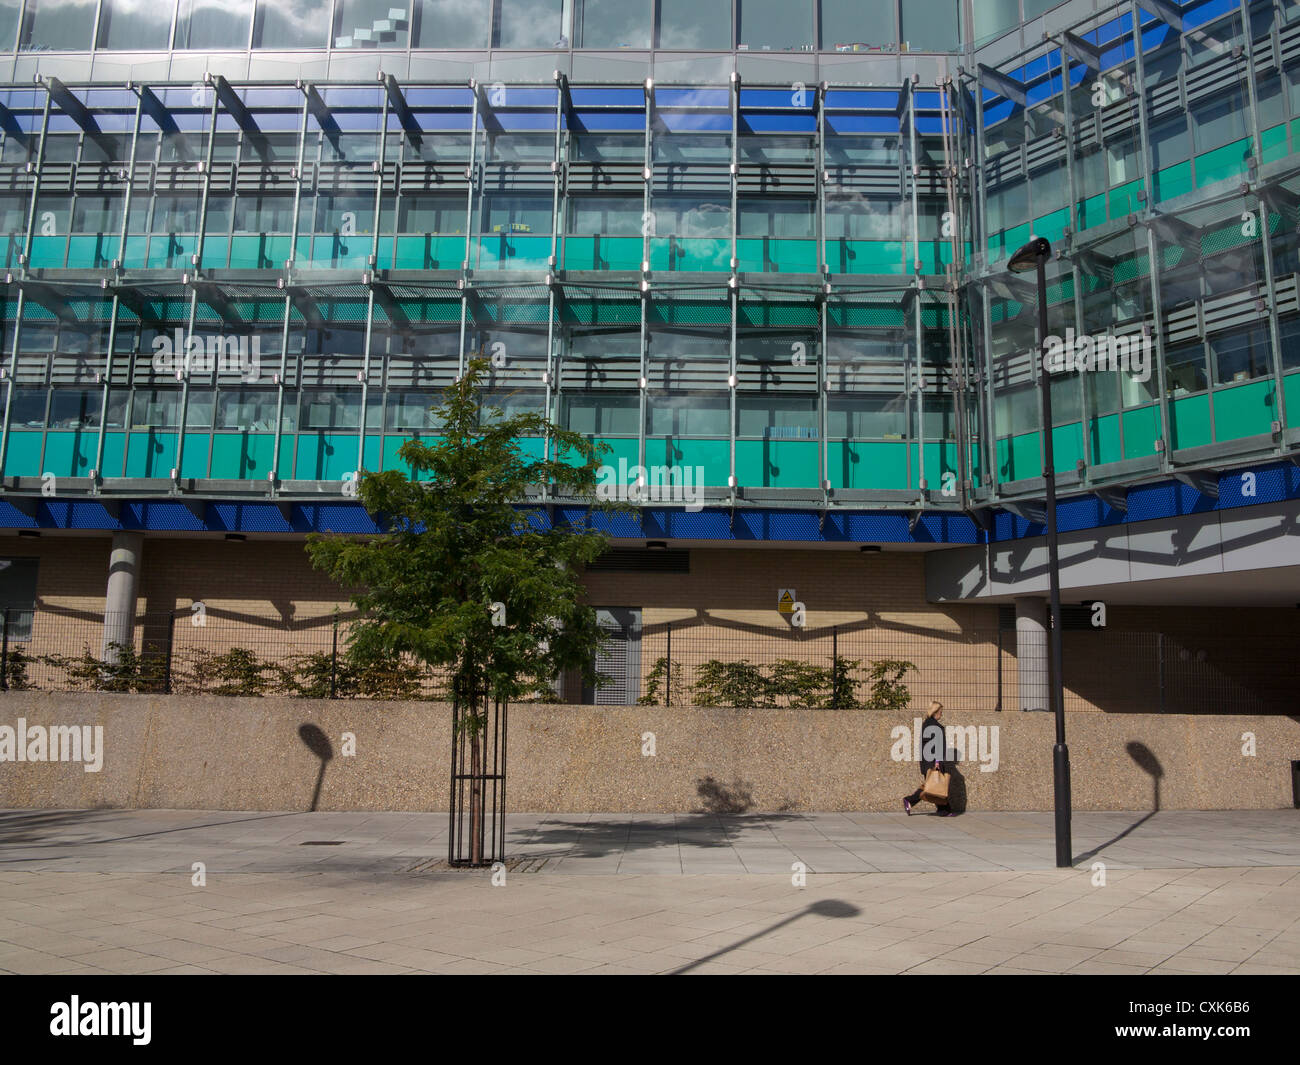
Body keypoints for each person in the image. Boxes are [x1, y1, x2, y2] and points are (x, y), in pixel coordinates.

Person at [904, 700, 951, 816]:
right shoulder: (936, 726)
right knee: (933, 785)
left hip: (926, 760)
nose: (941, 714)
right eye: (940, 711)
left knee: (933, 785)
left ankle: (943, 809)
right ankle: (910, 800)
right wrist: (937, 761)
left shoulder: (926, 724)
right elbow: (938, 746)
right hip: (933, 760)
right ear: (935, 712)